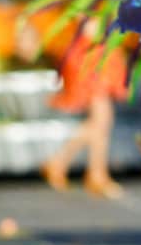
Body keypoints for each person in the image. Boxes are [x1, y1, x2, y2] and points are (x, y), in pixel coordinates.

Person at [41, 16, 128, 199]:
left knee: (101, 121)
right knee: (101, 120)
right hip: (94, 57)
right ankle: (68, 164)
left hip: (98, 53)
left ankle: (94, 172)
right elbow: (91, 25)